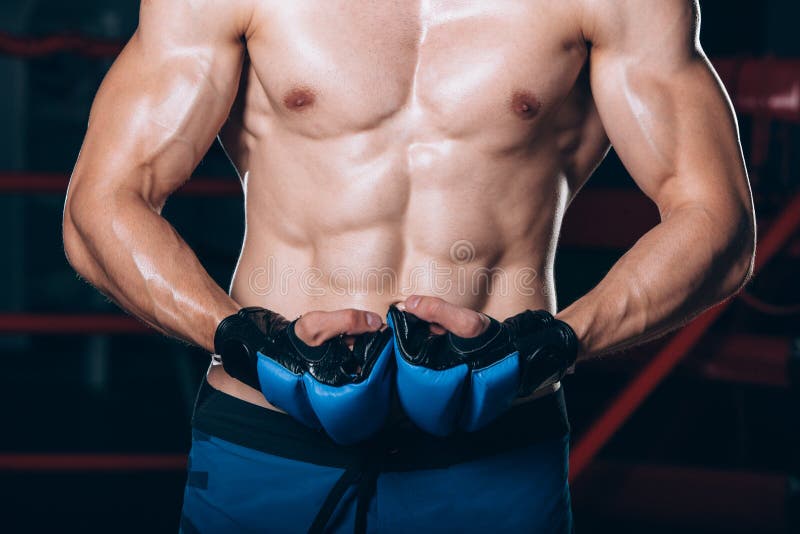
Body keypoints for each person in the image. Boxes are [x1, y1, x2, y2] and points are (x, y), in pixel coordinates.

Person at [62, 0, 755, 532]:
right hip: (269, 438)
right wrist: (244, 341)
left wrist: (553, 344)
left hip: (493, 455)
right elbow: (101, 205)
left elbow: (716, 219)